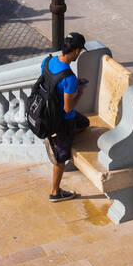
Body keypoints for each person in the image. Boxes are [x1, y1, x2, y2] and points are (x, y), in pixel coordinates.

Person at [44, 32, 90, 202]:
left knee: (85, 123)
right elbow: (68, 107)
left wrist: (72, 84)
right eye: (80, 51)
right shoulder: (69, 78)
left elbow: (52, 81)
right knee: (61, 157)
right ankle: (55, 192)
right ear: (77, 51)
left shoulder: (48, 61)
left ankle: (59, 140)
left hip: (48, 112)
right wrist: (80, 92)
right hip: (63, 119)